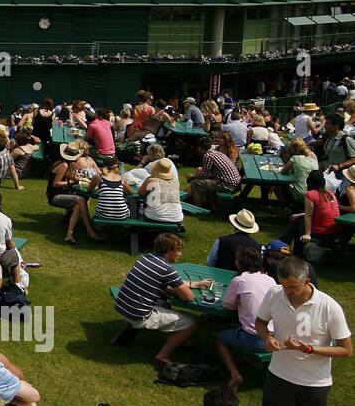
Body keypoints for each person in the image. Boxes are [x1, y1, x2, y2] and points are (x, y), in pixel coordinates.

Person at [254, 257, 352, 406]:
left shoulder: (329, 307)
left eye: (291, 287)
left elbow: (346, 349)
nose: (286, 292)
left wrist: (309, 349)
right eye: (283, 285)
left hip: (314, 385)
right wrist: (267, 338)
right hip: (279, 377)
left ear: (306, 281)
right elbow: (260, 321)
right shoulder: (275, 293)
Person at [114, 233, 214, 368]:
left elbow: (164, 283)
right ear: (169, 251)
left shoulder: (146, 258)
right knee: (191, 323)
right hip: (138, 316)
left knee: (164, 304)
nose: (180, 254)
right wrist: (183, 289)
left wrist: (194, 284)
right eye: (178, 251)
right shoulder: (167, 269)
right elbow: (188, 297)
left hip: (122, 306)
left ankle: (180, 340)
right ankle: (162, 356)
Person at [215, 247, 276, 387]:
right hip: (276, 337)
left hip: (256, 338)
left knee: (220, 338)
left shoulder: (240, 280)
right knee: (239, 329)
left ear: (239, 263)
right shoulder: (271, 280)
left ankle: (234, 373)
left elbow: (228, 305)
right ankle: (247, 359)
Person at [281, 170, 341, 252]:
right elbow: (320, 211)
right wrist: (300, 215)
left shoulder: (311, 194)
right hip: (334, 230)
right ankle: (285, 247)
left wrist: (307, 234)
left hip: (321, 231)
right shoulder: (331, 194)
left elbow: (308, 216)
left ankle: (289, 249)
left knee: (296, 226)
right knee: (298, 221)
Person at [188, 134, 242, 208]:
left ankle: (198, 207)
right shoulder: (217, 153)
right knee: (209, 182)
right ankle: (213, 206)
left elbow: (204, 175)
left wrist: (193, 177)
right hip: (235, 183)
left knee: (195, 183)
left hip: (228, 185)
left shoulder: (208, 156)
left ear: (200, 148)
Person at [137, 157, 184, 225]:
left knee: (141, 210)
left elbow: (141, 193)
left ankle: (136, 231)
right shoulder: (175, 181)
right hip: (177, 217)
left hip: (155, 217)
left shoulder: (152, 180)